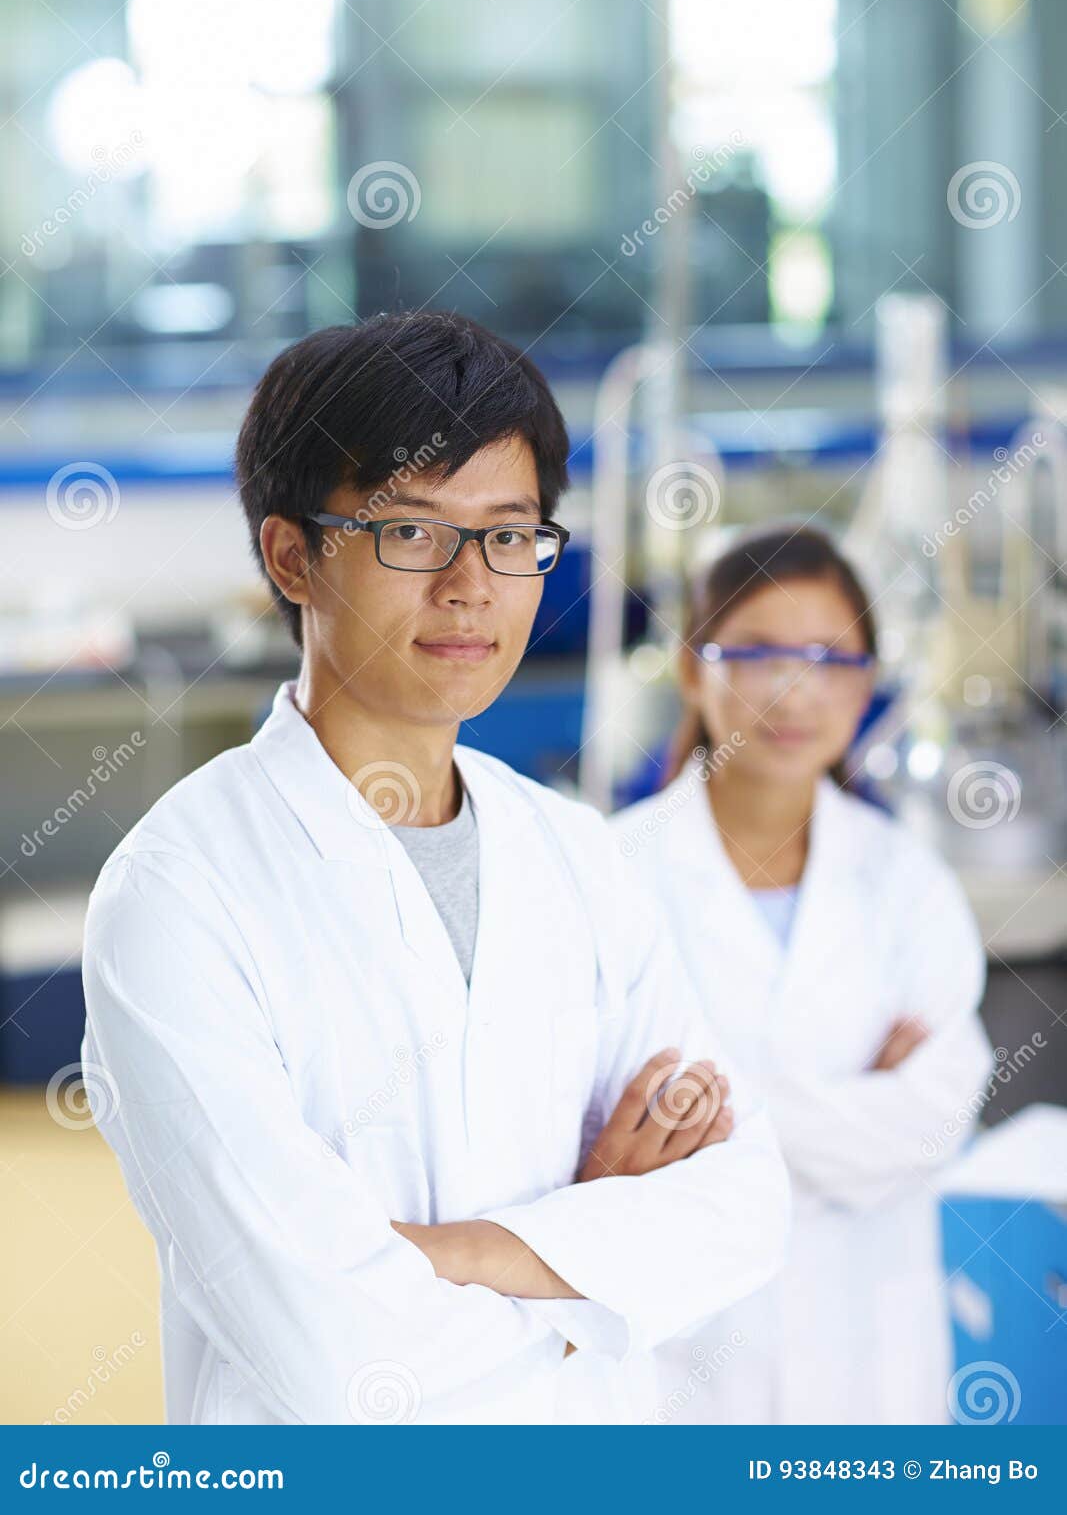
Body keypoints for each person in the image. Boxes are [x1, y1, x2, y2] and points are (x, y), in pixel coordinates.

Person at [80, 312, 789, 1426]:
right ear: (290, 554)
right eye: (412, 533)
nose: (471, 586)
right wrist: (597, 1255)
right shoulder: (178, 895)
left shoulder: (575, 853)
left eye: (508, 535)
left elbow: (744, 1204)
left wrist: (446, 1255)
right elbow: (335, 1356)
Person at [612, 523, 994, 1425]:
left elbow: (937, 1112)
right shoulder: (609, 873)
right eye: (758, 654)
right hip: (682, 1362)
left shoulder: (904, 878)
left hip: (872, 1350)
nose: (796, 691)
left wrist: (710, 1129)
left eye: (832, 660)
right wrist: (856, 1105)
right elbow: (594, 1118)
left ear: (867, 683)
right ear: (693, 669)